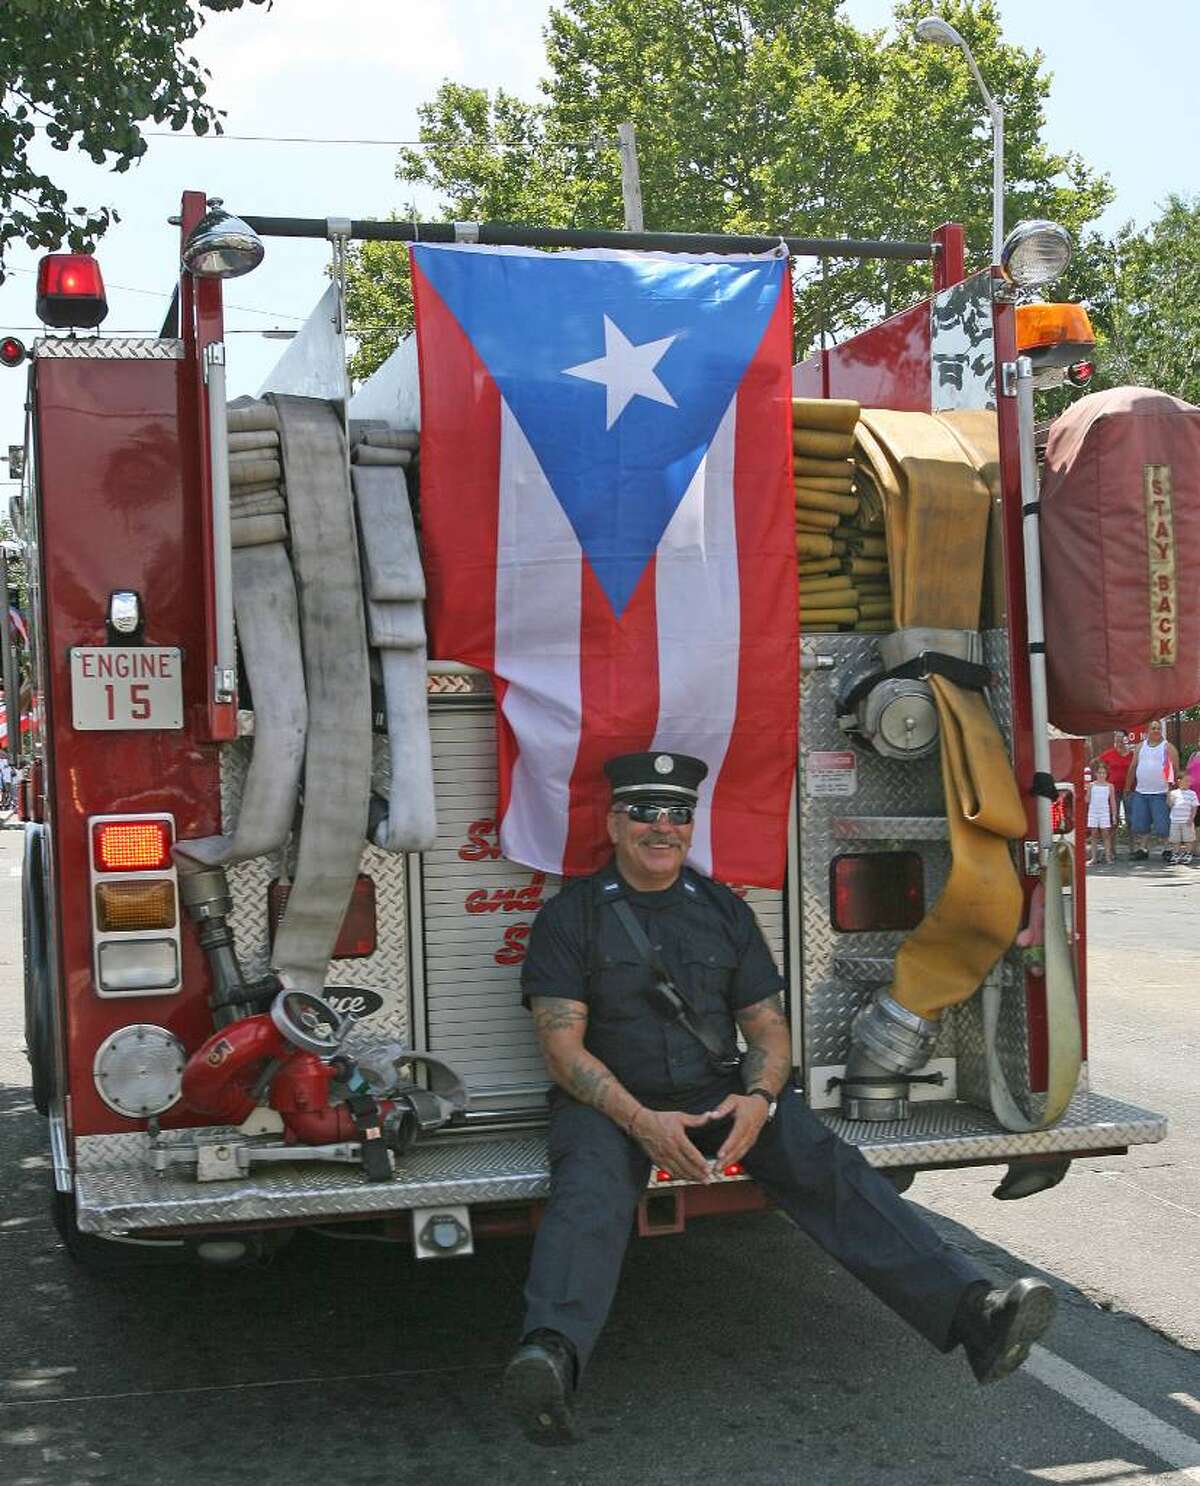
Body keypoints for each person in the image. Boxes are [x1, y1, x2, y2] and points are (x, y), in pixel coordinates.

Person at [502, 750, 1057, 1446]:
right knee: (587, 1194)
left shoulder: (722, 909)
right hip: (611, 1105)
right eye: (645, 811)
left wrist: (761, 1098)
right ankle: (550, 1360)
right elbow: (562, 1047)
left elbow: (766, 1027)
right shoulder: (572, 916)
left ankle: (976, 1314)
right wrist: (641, 1122)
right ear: (615, 822)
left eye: (678, 813)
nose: (662, 826)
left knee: (827, 1167)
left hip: (719, 1094)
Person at [1125, 719, 1180, 862]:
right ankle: (1143, 849)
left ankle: (1167, 849)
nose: (1156, 730)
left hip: (1161, 793)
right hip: (1141, 793)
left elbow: (1175, 770)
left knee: (1163, 826)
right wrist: (1127, 787)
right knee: (1140, 824)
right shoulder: (1139, 747)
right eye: (1153, 728)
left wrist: (1172, 792)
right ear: (1147, 731)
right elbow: (1132, 768)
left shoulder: (1168, 747)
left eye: (1158, 728)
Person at [1095, 730, 1134, 845]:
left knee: (1131, 819)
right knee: (1113, 819)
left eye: (1121, 737)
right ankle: (1111, 849)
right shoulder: (1108, 754)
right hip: (1113, 791)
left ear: (1126, 739)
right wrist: (1101, 780)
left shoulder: (1132, 755)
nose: (1119, 740)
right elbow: (1095, 764)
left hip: (1129, 790)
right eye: (1117, 737)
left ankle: (1133, 848)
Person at [1086, 760, 1117, 865]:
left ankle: (1108, 856)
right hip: (1093, 811)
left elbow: (1112, 801)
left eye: (1103, 773)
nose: (1101, 775)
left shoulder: (1110, 786)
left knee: (1105, 834)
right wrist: (1085, 789)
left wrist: (1114, 815)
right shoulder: (1091, 785)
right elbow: (1087, 800)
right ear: (1095, 774)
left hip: (1104, 812)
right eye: (1099, 773)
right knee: (1094, 834)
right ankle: (1094, 858)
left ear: (1106, 774)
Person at [1167, 776, 1198, 865]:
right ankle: (1176, 854)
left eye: (1189, 781)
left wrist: (1191, 818)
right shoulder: (1174, 793)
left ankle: (1187, 854)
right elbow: (1170, 805)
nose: (1188, 783)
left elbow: (1194, 807)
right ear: (1179, 781)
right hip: (1175, 820)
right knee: (1175, 840)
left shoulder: (1192, 794)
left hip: (1187, 821)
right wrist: (1168, 795)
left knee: (1188, 839)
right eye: (1186, 781)